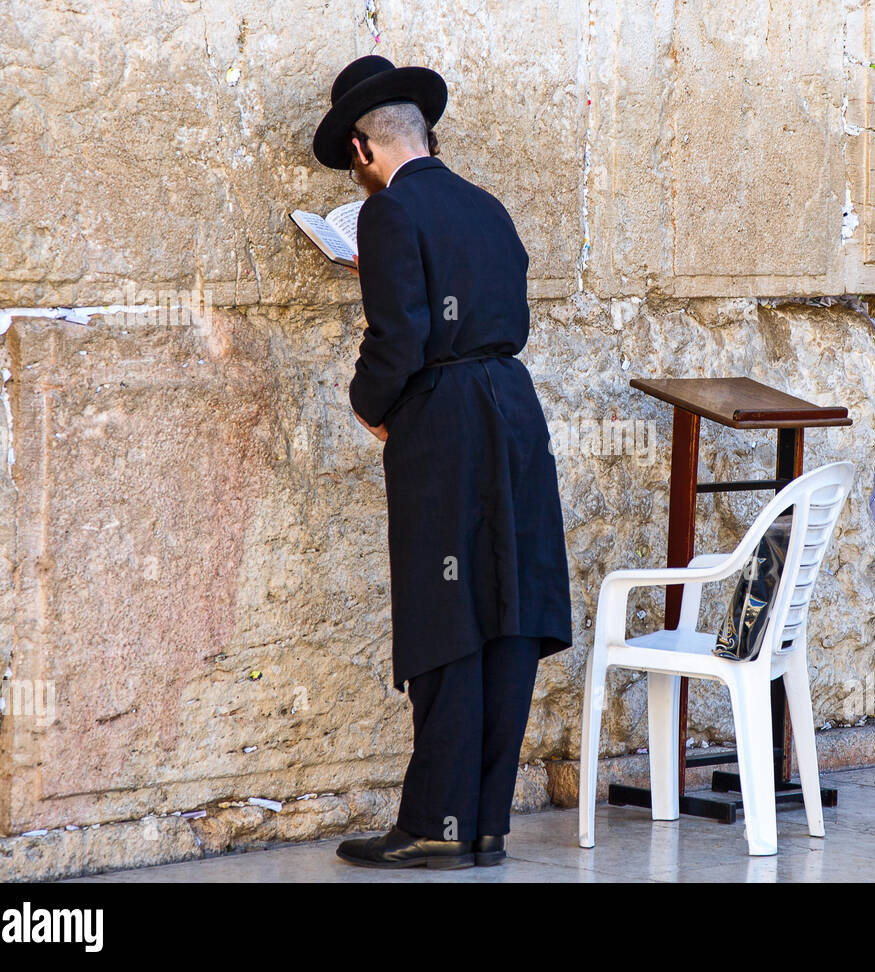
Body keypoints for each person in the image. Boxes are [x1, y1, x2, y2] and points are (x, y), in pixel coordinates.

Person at [311, 55, 573, 869]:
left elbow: (399, 342)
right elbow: (507, 314)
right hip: (512, 412)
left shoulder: (389, 214)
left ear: (362, 148)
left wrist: (368, 408)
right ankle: (484, 826)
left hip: (445, 421)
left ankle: (434, 825)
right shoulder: (485, 206)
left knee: (446, 615)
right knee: (507, 614)